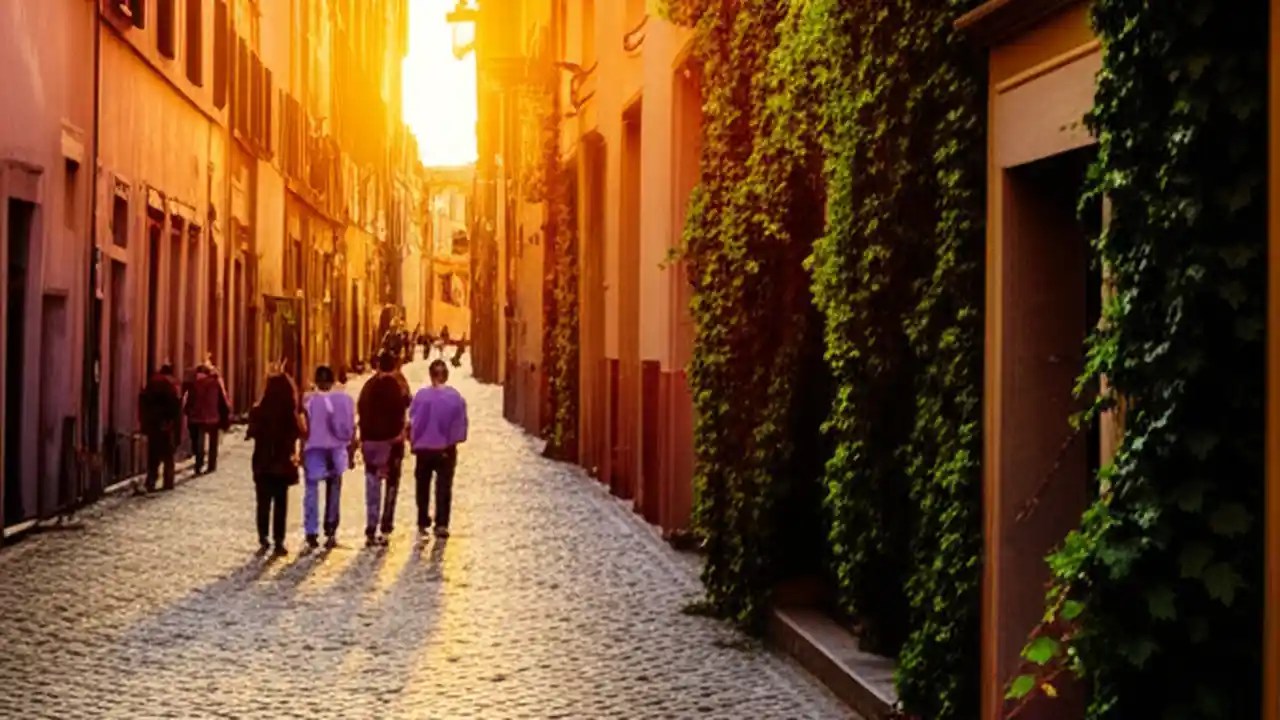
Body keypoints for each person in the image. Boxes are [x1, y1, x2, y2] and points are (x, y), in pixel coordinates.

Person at [408, 359, 468, 538]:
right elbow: (460, 426)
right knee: (444, 486)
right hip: (445, 449)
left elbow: (414, 421)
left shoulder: (421, 396)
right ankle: (441, 523)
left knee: (422, 486)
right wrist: (451, 442)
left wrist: (414, 441)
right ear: (446, 376)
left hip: (424, 449)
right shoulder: (455, 397)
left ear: (430, 375)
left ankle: (422, 520)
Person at [357, 351, 411, 546]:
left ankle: (371, 525)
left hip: (371, 442)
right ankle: (385, 526)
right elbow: (405, 404)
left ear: (378, 365)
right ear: (395, 365)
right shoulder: (398, 385)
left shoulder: (368, 386)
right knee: (391, 484)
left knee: (372, 483)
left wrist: (363, 436)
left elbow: (361, 408)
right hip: (392, 443)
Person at [301, 365, 356, 549]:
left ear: (316, 381)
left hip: (313, 449)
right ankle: (331, 529)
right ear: (332, 381)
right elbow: (350, 428)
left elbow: (303, 429)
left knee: (311, 490)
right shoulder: (345, 400)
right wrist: (351, 449)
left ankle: (311, 531)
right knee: (334, 490)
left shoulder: (307, 401)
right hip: (335, 450)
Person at [246, 373, 302, 555]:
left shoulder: (257, 411)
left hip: (262, 463)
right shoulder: (289, 414)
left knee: (262, 502)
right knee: (280, 503)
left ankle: (263, 538)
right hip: (281, 463)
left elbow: (251, 432)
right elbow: (298, 433)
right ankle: (279, 541)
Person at [138, 364, 181, 493]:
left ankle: (151, 481)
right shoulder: (170, 385)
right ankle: (168, 481)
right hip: (165, 424)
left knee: (153, 455)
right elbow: (174, 405)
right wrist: (171, 421)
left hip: (152, 423)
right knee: (168, 454)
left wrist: (145, 422)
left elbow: (144, 401)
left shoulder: (151, 383)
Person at [186, 362, 230, 474]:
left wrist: (188, 411)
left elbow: (190, 400)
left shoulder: (194, 384)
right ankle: (211, 465)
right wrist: (225, 414)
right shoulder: (215, 383)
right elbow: (222, 401)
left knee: (199, 442)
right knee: (213, 443)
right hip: (213, 417)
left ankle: (199, 464)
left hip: (198, 417)